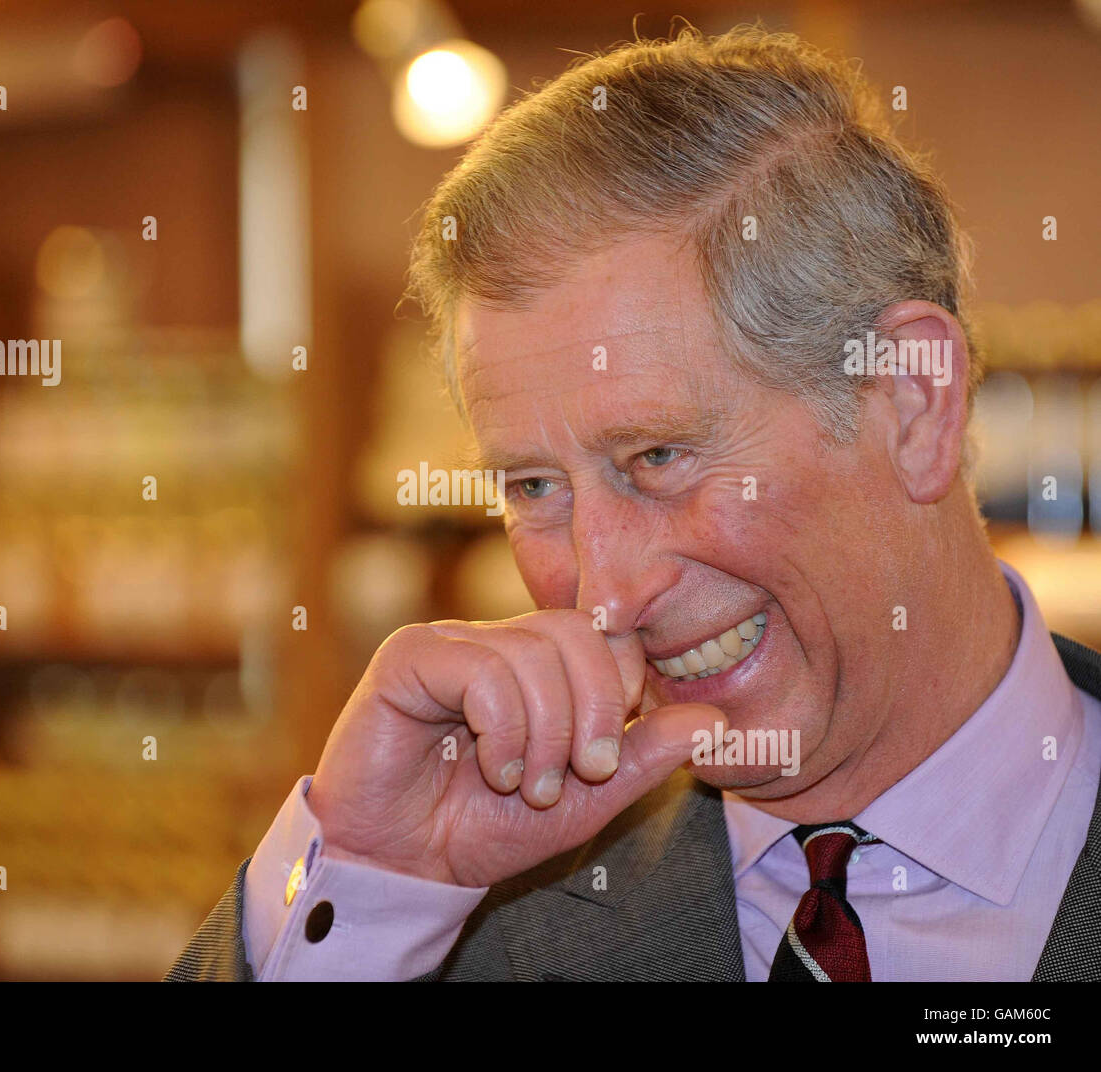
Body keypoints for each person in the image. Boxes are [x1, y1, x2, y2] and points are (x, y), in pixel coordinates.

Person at [168, 25, 1101, 981]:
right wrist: (372, 879)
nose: (603, 591)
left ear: (911, 401)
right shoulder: (453, 912)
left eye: (658, 457)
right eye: (534, 486)